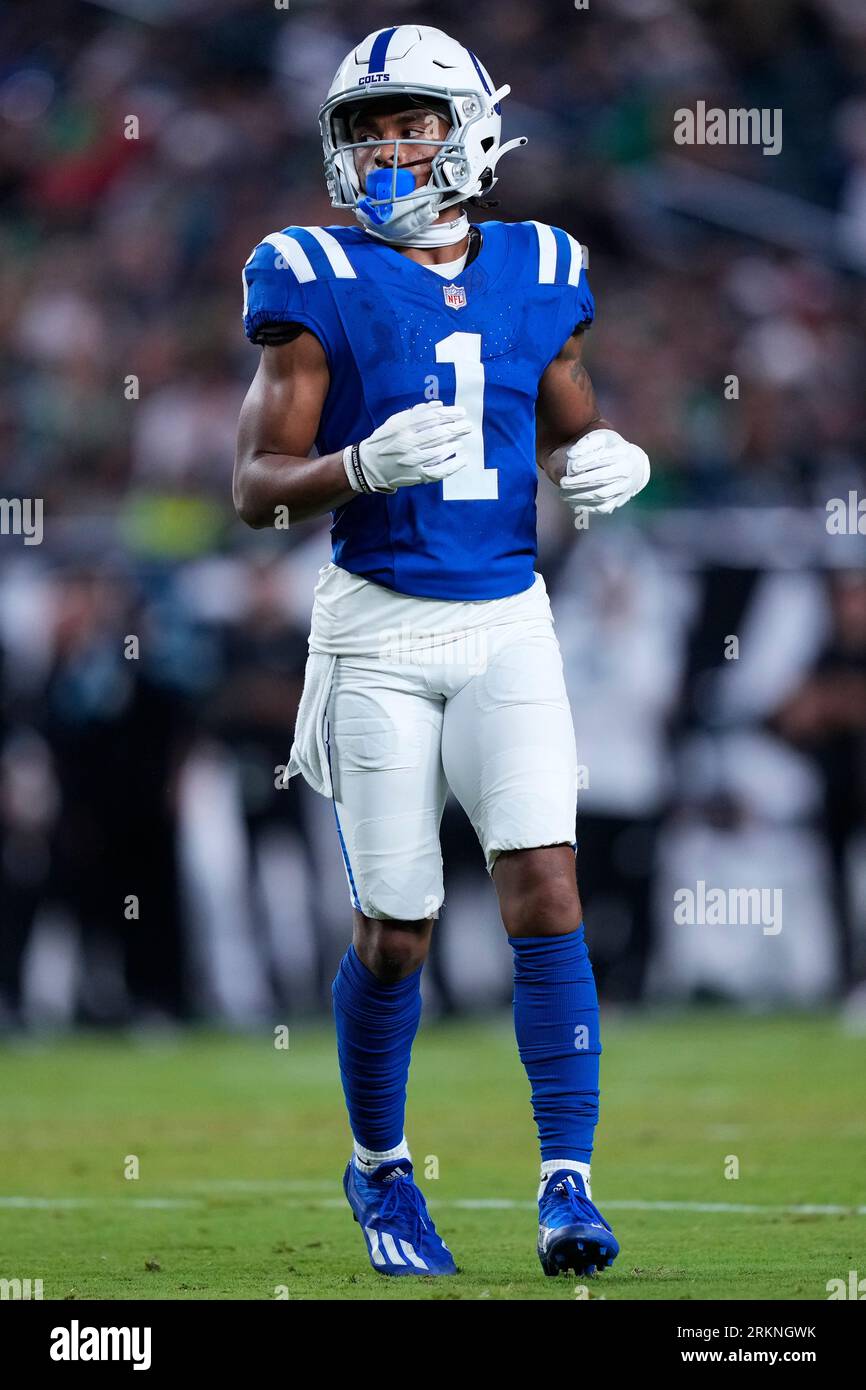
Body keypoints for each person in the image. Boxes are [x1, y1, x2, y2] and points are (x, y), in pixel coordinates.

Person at [234, 25, 649, 1279]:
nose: (383, 147)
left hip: (506, 615)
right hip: (376, 628)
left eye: (407, 121)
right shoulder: (309, 271)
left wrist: (596, 461)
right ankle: (377, 1170)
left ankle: (565, 1187)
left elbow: (564, 419)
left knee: (546, 889)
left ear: (467, 129)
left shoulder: (541, 263)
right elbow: (254, 487)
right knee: (399, 926)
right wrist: (352, 465)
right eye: (364, 127)